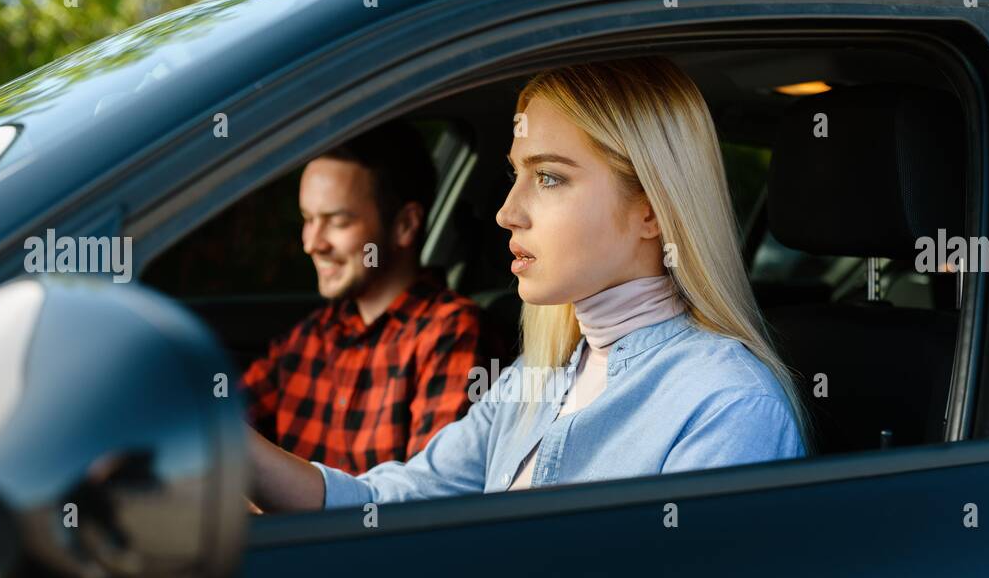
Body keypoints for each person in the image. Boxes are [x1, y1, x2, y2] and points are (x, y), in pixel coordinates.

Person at [246, 57, 811, 513]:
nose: (507, 212)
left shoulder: (726, 405)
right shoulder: (537, 374)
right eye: (517, 174)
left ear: (652, 210)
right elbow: (386, 505)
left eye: (548, 177)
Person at [239, 120, 489, 475]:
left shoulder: (449, 332)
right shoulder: (313, 335)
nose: (312, 243)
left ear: (405, 225)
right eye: (308, 219)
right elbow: (215, 426)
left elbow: (431, 497)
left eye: (337, 222)